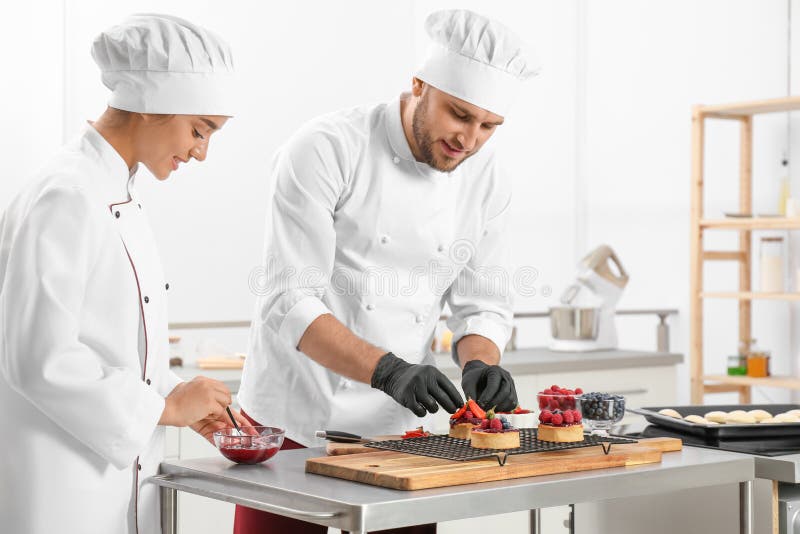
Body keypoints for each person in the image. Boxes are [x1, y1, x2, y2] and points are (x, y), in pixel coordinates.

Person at [236, 8, 539, 533]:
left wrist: (478, 365)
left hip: (399, 431)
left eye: (489, 126)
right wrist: (390, 371)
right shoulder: (327, 148)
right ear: (419, 84)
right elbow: (289, 299)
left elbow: (482, 304)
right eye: (460, 115)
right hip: (293, 417)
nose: (470, 139)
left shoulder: (487, 180)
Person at [0, 14, 248, 534]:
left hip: (111, 491)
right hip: (63, 495)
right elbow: (38, 359)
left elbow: (109, 348)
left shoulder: (115, 192)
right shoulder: (67, 195)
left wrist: (180, 398)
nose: (201, 152)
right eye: (200, 129)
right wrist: (162, 407)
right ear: (154, 106)